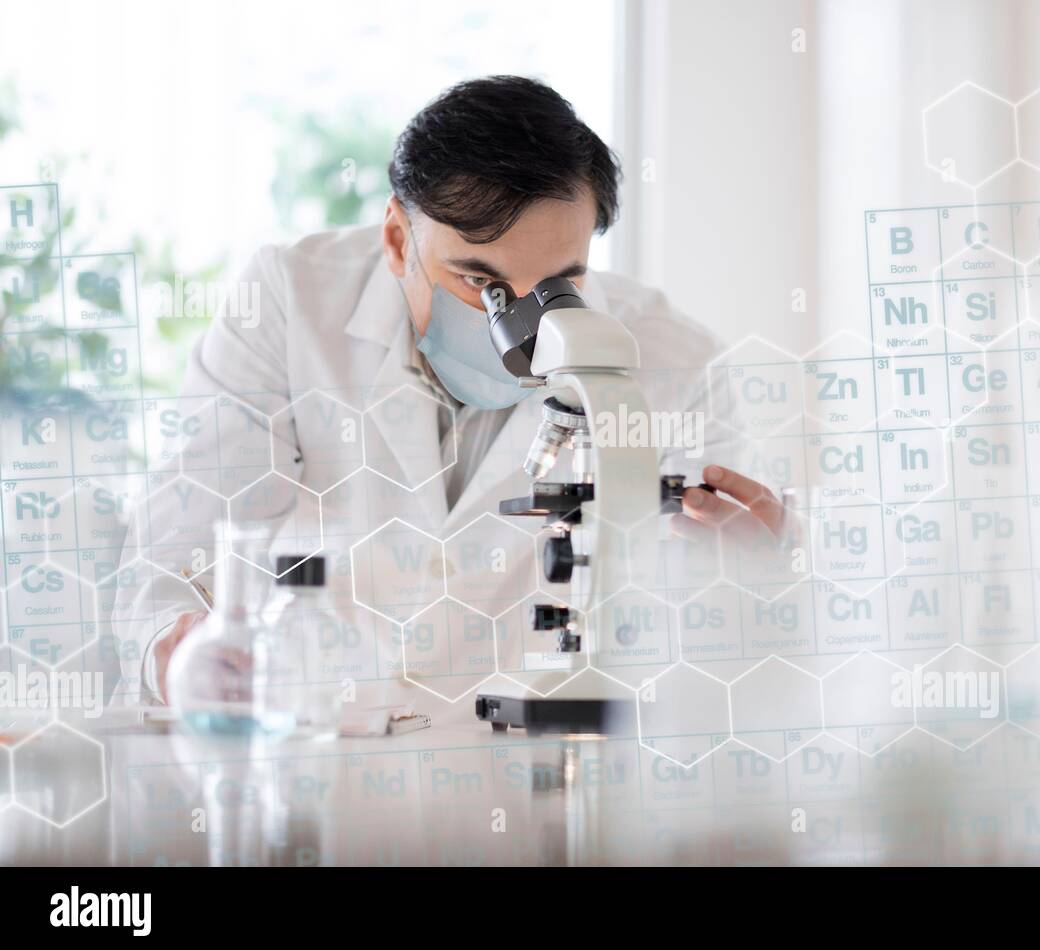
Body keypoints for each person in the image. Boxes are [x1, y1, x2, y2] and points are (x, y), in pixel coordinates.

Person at [114, 75, 792, 705]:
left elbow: (721, 652)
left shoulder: (678, 364)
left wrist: (748, 587)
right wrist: (187, 656)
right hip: (317, 746)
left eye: (559, 284)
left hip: (532, 778)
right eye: (482, 283)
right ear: (397, 240)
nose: (520, 329)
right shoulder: (291, 302)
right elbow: (174, 555)